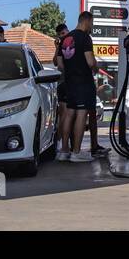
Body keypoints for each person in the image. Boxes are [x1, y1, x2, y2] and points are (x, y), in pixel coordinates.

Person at [58, 11, 98, 162]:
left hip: (69, 82)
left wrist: (70, 71)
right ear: (87, 21)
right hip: (83, 82)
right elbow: (90, 61)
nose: (92, 26)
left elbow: (60, 64)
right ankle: (76, 152)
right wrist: (95, 66)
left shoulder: (65, 38)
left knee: (69, 114)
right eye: (92, 23)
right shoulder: (85, 37)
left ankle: (64, 151)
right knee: (82, 113)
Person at [52, 23, 72, 161]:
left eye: (64, 33)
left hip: (68, 82)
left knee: (69, 115)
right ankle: (63, 145)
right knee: (64, 115)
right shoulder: (61, 46)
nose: (63, 36)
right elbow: (56, 63)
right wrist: (57, 47)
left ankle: (66, 145)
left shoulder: (72, 43)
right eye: (60, 35)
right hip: (64, 83)